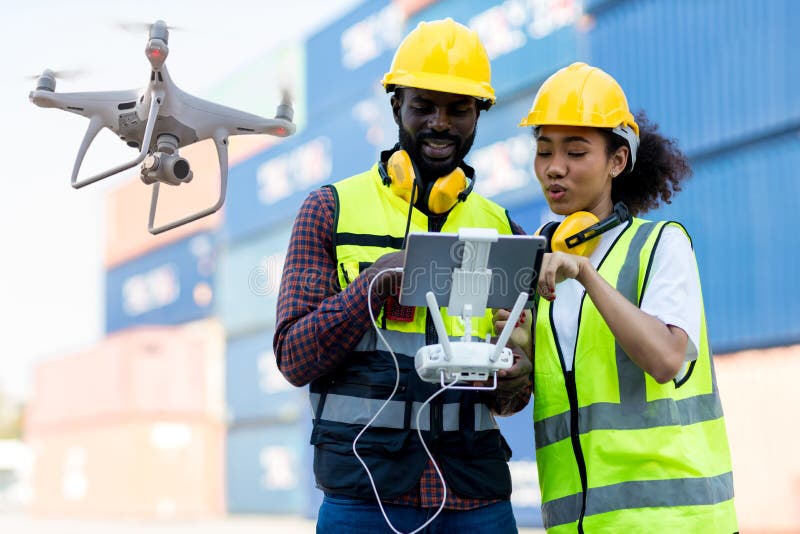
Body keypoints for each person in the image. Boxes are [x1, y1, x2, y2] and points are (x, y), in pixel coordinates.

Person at [274, 19, 533, 534]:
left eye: (459, 109)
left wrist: (517, 373)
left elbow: (511, 401)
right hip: (363, 495)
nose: (440, 123)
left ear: (479, 114)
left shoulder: (502, 229)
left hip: (475, 494)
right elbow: (293, 357)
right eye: (424, 106)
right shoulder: (330, 210)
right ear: (397, 107)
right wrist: (369, 287)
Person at [507, 62, 738, 532]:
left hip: (676, 523)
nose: (554, 167)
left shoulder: (661, 245)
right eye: (544, 150)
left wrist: (588, 276)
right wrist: (514, 356)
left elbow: (666, 359)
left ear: (617, 161)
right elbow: (517, 401)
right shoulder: (538, 264)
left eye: (575, 152)